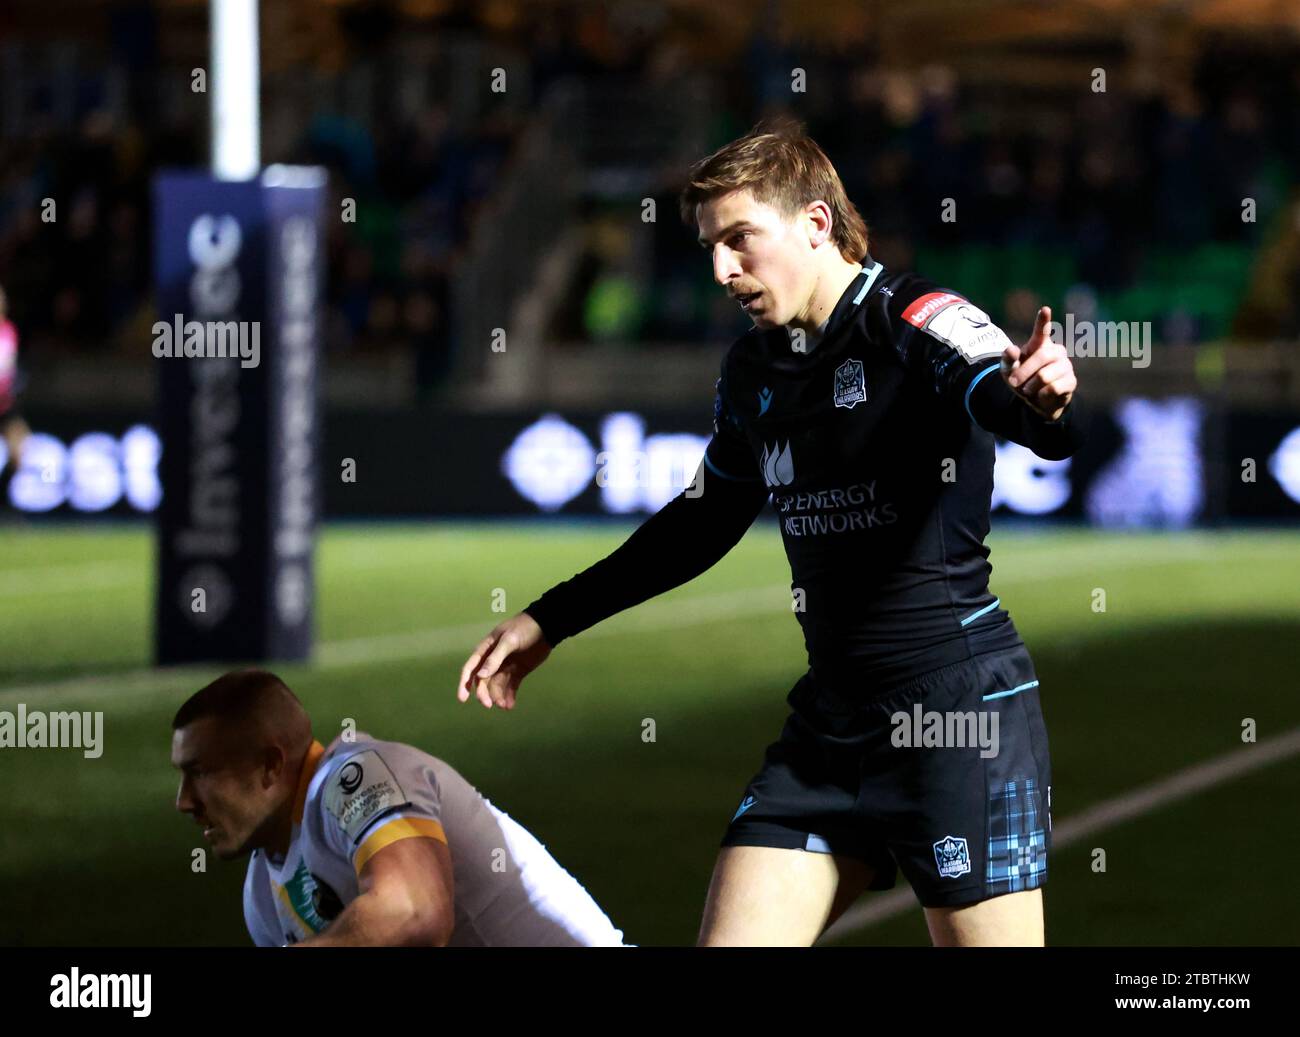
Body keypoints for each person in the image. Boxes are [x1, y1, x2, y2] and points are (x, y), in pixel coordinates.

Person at [457, 120, 1085, 947]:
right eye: (712, 248)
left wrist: (1041, 397)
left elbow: (1004, 398)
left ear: (815, 224)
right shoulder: (753, 371)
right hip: (831, 727)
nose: (722, 269)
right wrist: (549, 618)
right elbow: (702, 521)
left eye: (741, 240)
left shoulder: (916, 318)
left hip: (956, 717)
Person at [171, 668, 626, 946]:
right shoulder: (263, 897)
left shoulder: (359, 778)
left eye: (202, 773)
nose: (184, 801)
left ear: (270, 765)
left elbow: (415, 914)